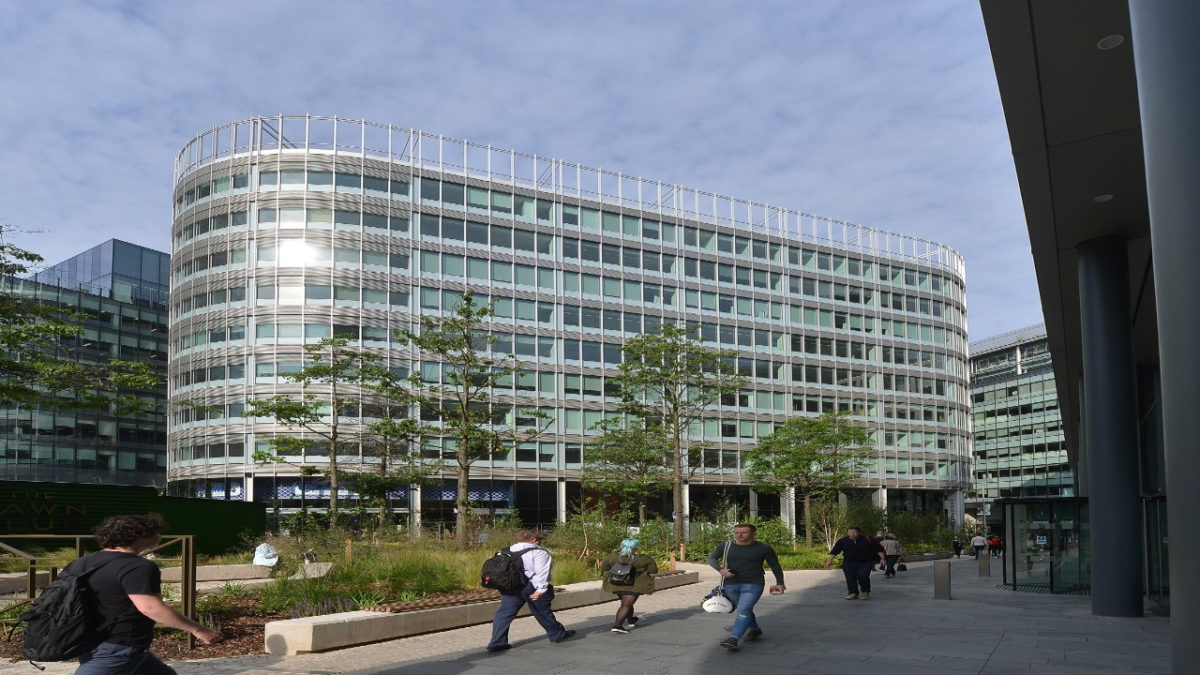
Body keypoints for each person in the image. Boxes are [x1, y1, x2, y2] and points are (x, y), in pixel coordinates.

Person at [75, 514, 221, 675]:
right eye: (156, 532)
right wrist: (199, 630)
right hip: (119, 646)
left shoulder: (83, 563)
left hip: (88, 641)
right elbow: (151, 608)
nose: (160, 536)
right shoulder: (137, 567)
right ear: (140, 536)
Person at [486, 530, 576, 652]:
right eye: (539, 540)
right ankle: (557, 635)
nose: (540, 542)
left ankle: (497, 642)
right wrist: (540, 590)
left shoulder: (506, 551)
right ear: (533, 540)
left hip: (510, 586)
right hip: (530, 586)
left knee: (504, 613)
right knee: (542, 611)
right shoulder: (539, 553)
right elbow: (542, 573)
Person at [706, 523, 785, 651]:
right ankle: (754, 630)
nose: (740, 535)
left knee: (743, 609)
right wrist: (720, 570)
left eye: (744, 532)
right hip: (731, 584)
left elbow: (775, 565)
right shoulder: (726, 546)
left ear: (753, 534)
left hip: (754, 584)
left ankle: (734, 638)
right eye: (737, 532)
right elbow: (711, 558)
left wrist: (780, 583)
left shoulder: (763, 548)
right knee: (745, 610)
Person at [598, 538, 657, 634]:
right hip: (635, 585)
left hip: (617, 584)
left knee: (626, 602)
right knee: (626, 604)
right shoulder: (645, 558)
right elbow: (653, 571)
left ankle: (631, 620)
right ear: (636, 547)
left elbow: (604, 568)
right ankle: (617, 625)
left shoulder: (612, 557)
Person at [825, 526, 886, 600]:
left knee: (862, 576)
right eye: (850, 532)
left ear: (859, 533)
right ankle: (853, 593)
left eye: (854, 532)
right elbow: (835, 551)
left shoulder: (867, 540)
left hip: (865, 562)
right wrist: (829, 561)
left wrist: (882, 558)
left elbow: (878, 549)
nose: (852, 534)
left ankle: (865, 592)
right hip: (848, 563)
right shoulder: (842, 541)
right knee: (850, 578)